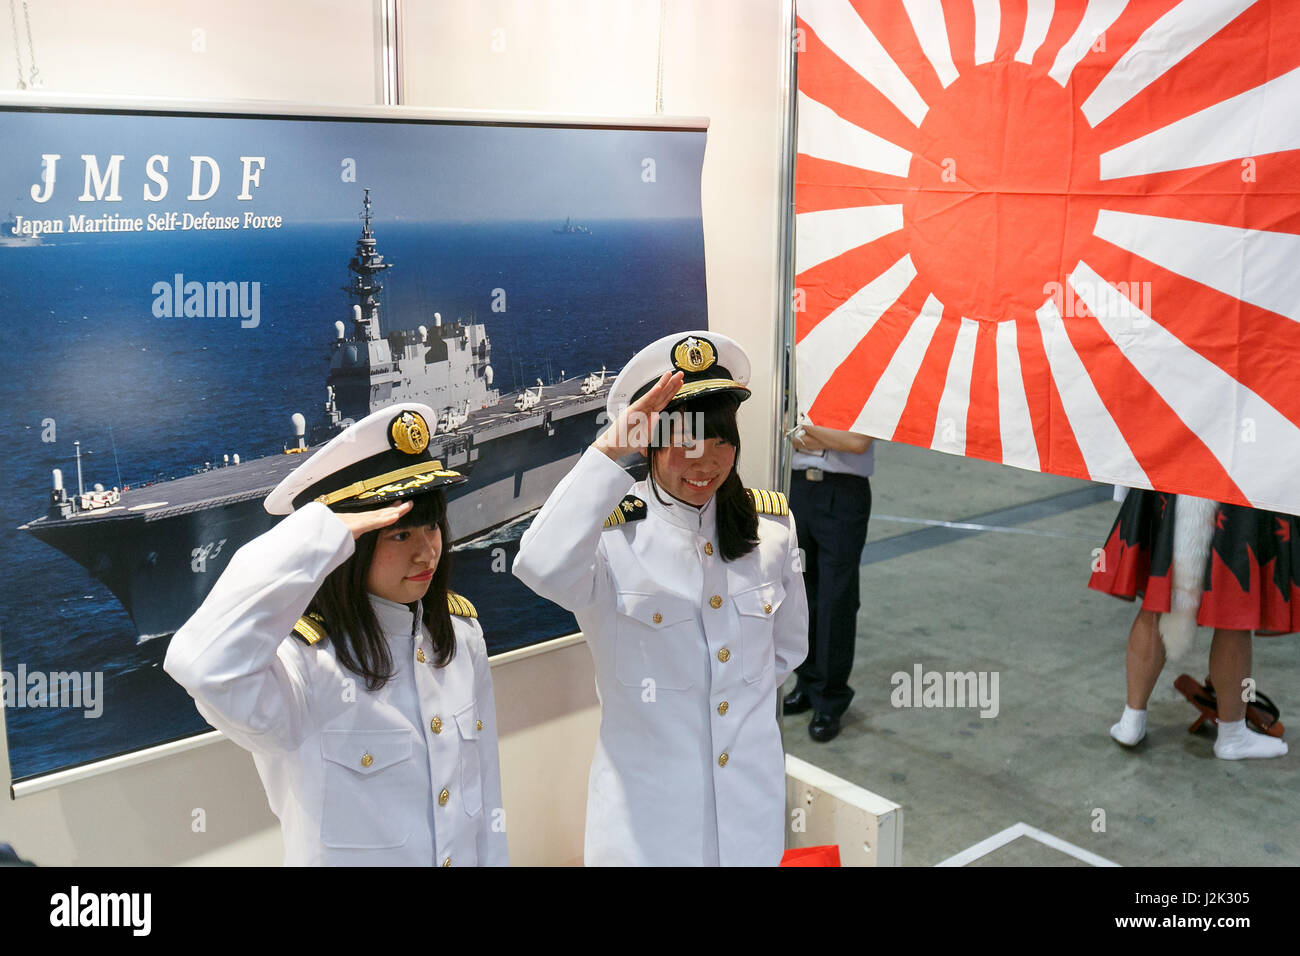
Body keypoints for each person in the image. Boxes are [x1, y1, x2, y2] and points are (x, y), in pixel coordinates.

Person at [165, 403, 508, 865]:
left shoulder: (459, 637)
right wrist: (317, 534)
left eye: (431, 527)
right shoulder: (301, 666)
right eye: (399, 535)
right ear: (351, 543)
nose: (428, 553)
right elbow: (203, 667)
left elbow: (486, 802)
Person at [513, 331, 808, 866]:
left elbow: (786, 651)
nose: (706, 460)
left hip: (749, 823)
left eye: (722, 440)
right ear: (647, 441)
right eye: (685, 439)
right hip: (646, 835)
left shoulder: (771, 531)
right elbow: (537, 565)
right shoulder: (608, 537)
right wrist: (607, 449)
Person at [1089, 489, 1296, 760]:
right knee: (1233, 608)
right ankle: (1232, 736)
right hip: (1238, 479)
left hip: (1177, 470)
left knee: (1158, 598)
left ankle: (1132, 720)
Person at [781, 422, 874, 742]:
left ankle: (830, 699)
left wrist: (801, 433)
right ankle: (805, 682)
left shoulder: (863, 383)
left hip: (843, 492)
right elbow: (784, 431)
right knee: (800, 592)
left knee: (837, 596)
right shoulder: (801, 378)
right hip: (798, 491)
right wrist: (819, 436)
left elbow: (857, 442)